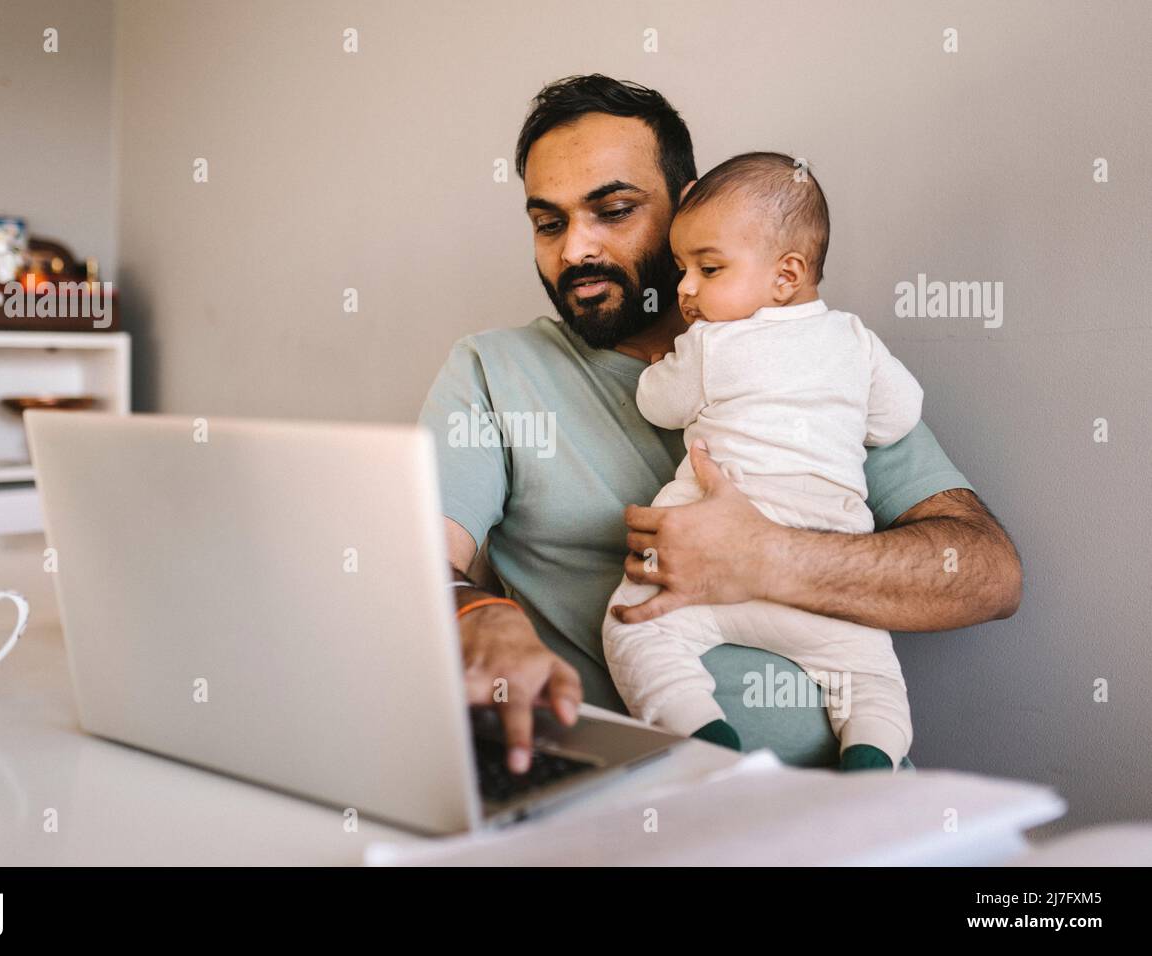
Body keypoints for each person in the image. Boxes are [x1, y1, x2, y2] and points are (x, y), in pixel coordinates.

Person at [417, 74, 1021, 775]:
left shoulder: (815, 357)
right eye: (549, 222)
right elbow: (408, 566)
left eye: (612, 209)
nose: (576, 249)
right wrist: (473, 614)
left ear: (686, 205)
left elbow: (987, 574)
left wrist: (766, 557)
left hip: (856, 816)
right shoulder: (495, 372)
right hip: (650, 814)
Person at [602, 151, 924, 773]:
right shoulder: (856, 340)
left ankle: (704, 737)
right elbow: (898, 417)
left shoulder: (711, 345)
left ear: (786, 275)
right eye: (681, 268)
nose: (686, 289)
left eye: (709, 268)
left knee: (634, 629)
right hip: (821, 576)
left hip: (699, 572)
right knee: (869, 673)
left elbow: (658, 404)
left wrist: (666, 362)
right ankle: (872, 755)